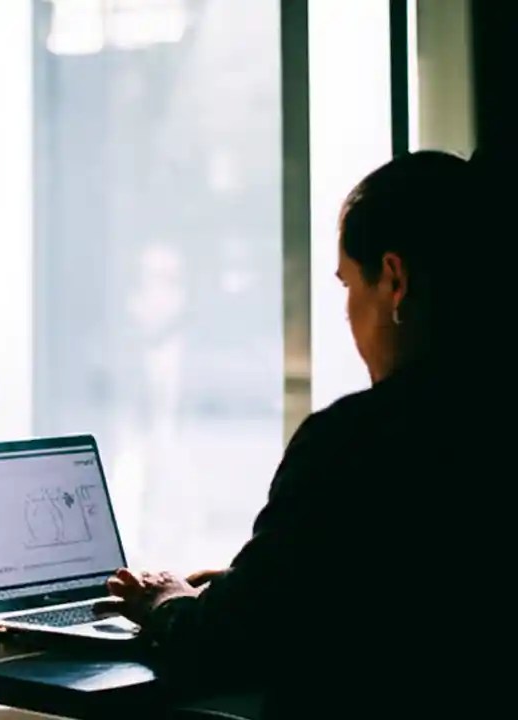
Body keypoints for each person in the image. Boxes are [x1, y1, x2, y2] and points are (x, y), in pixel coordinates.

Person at [100, 151, 506, 718]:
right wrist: (253, 583)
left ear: (394, 281)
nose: (347, 315)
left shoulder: (352, 442)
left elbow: (228, 645)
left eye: (347, 286)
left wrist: (166, 602)